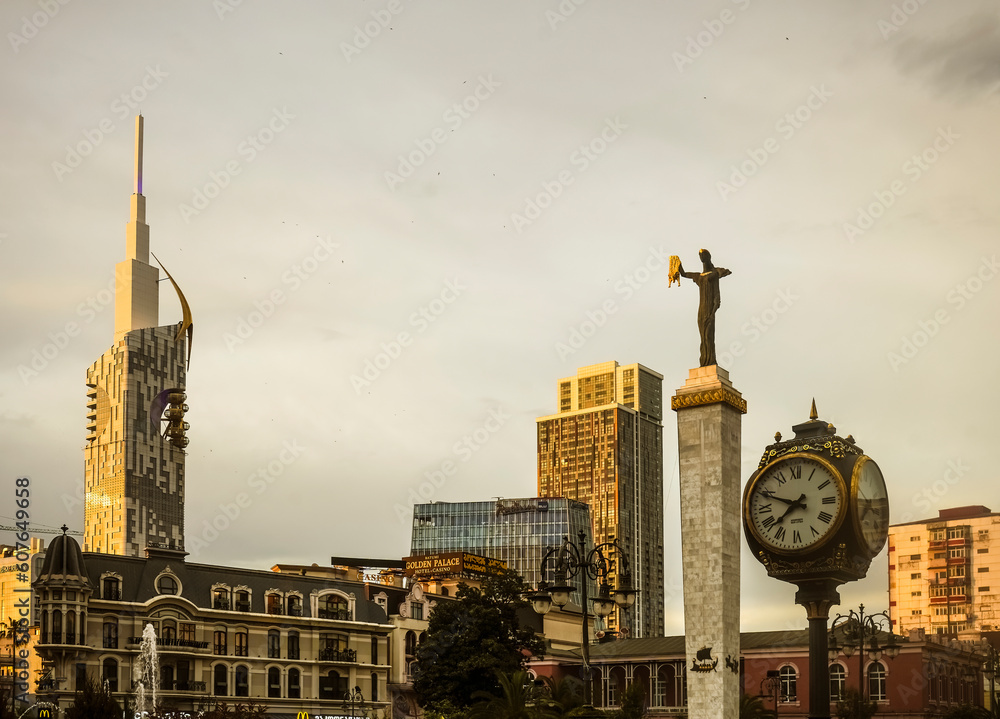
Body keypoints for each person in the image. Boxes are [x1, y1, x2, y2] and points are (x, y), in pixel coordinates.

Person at [678, 249, 731, 367]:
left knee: (708, 336)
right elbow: (684, 274)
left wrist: (713, 312)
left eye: (703, 255)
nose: (701, 257)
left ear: (708, 257)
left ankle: (711, 361)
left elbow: (717, 296)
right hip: (701, 310)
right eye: (700, 255)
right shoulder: (699, 276)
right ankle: (703, 362)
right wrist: (677, 262)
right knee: (703, 337)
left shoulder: (714, 274)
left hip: (709, 310)